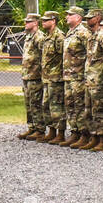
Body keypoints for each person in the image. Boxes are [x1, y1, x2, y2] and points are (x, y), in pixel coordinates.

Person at [82, 9, 103, 151]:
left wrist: (102, 72)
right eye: (87, 18)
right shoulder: (91, 36)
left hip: (100, 80)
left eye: (91, 18)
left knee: (101, 111)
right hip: (90, 79)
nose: (88, 20)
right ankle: (93, 136)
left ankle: (102, 139)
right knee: (89, 110)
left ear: (99, 18)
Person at [60, 6, 91, 148]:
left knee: (80, 106)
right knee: (70, 105)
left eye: (70, 15)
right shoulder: (70, 32)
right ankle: (74, 132)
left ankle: (84, 134)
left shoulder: (83, 33)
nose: (67, 17)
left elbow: (90, 54)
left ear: (78, 17)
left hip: (78, 76)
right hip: (68, 76)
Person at [36, 11, 66, 143]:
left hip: (56, 78)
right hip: (47, 77)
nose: (43, 22)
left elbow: (63, 57)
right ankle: (51, 130)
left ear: (53, 21)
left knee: (57, 106)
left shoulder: (59, 37)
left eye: (46, 20)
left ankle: (60, 133)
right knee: (46, 105)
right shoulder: (47, 37)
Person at [18, 13, 46, 140]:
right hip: (27, 75)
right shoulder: (29, 37)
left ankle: (40, 129)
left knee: (36, 103)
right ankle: (32, 127)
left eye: (28, 22)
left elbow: (44, 57)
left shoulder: (39, 37)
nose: (26, 24)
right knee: (28, 103)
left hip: (36, 76)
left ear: (35, 23)